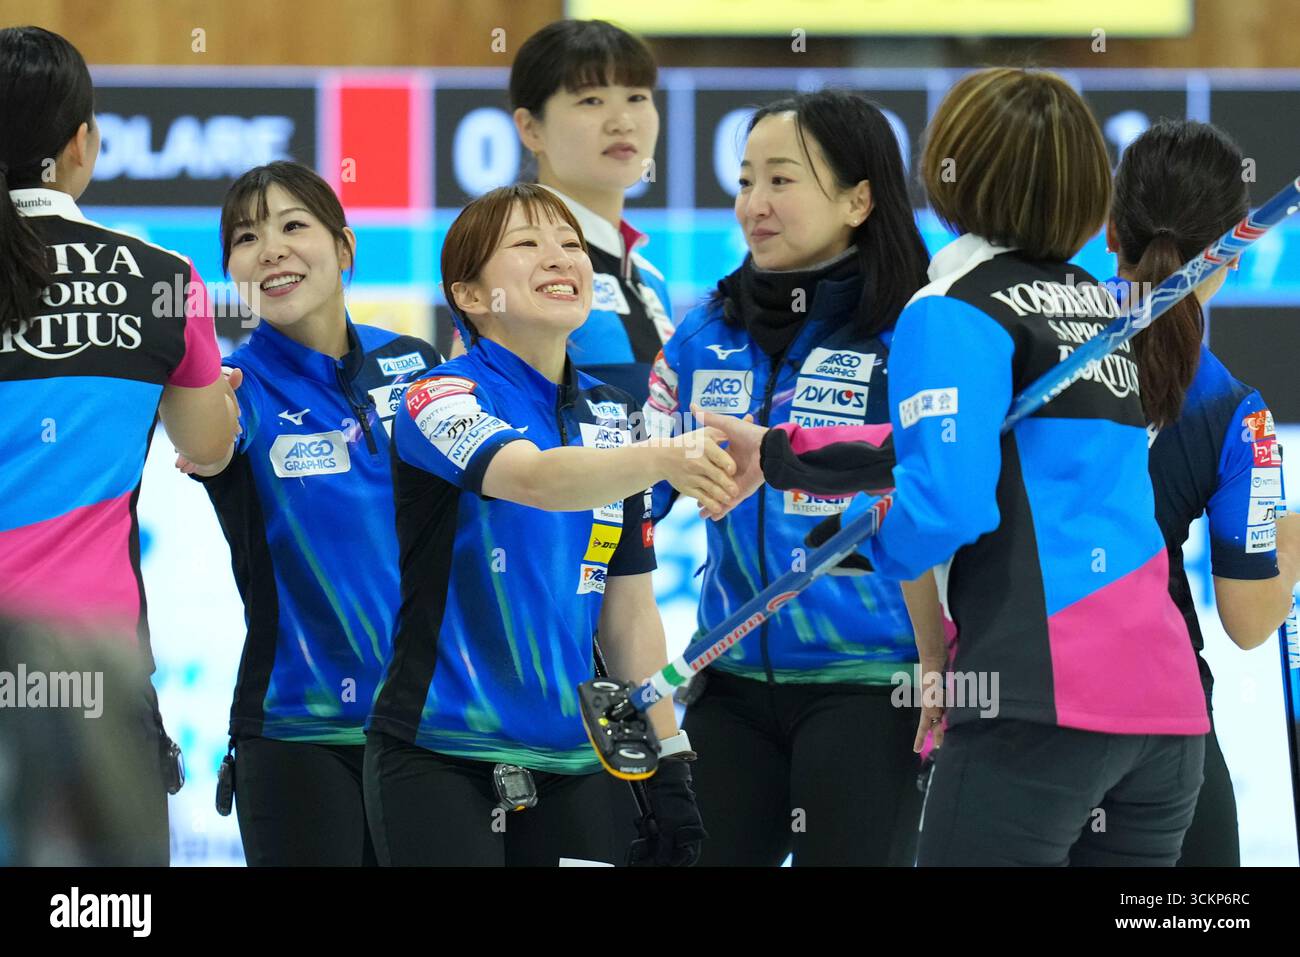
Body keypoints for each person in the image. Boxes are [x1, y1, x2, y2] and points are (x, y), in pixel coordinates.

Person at [703, 68, 1212, 866]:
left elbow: (946, 501)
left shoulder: (953, 307)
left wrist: (859, 540)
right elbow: (962, 445)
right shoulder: (1094, 304)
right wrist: (781, 452)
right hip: (1164, 717)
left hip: (1040, 705)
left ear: (953, 172)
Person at [363, 183, 730, 866]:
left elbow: (627, 615)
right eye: (527, 244)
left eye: (570, 243)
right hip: (441, 753)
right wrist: (660, 455)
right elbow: (535, 479)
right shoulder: (436, 396)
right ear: (470, 295)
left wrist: (670, 759)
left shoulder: (613, 415)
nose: (561, 258)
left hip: (576, 762)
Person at [641, 89, 934, 865]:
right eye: (745, 181)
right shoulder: (704, 335)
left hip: (872, 685)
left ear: (858, 199)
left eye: (781, 179)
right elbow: (636, 494)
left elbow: (941, 480)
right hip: (728, 684)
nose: (754, 204)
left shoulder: (916, 330)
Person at [0, 26, 238, 864]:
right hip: (93, 673)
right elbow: (209, 448)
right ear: (82, 142)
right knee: (104, 914)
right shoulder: (163, 278)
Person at [177, 161, 442, 866]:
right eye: (246, 238)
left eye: (293, 226)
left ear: (344, 246)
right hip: (298, 732)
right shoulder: (234, 388)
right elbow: (203, 442)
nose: (271, 250)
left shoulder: (417, 363)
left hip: (433, 732)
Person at [1107, 119, 1299, 866]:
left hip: (1020, 710)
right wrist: (1290, 540)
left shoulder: (1024, 341)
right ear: (1234, 253)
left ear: (1111, 232)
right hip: (1159, 719)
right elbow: (1249, 621)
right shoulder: (1235, 411)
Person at [447, 19, 673, 409]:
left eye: (637, 97)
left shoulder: (650, 278)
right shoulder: (509, 263)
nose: (622, 122)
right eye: (591, 100)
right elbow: (470, 411)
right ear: (530, 128)